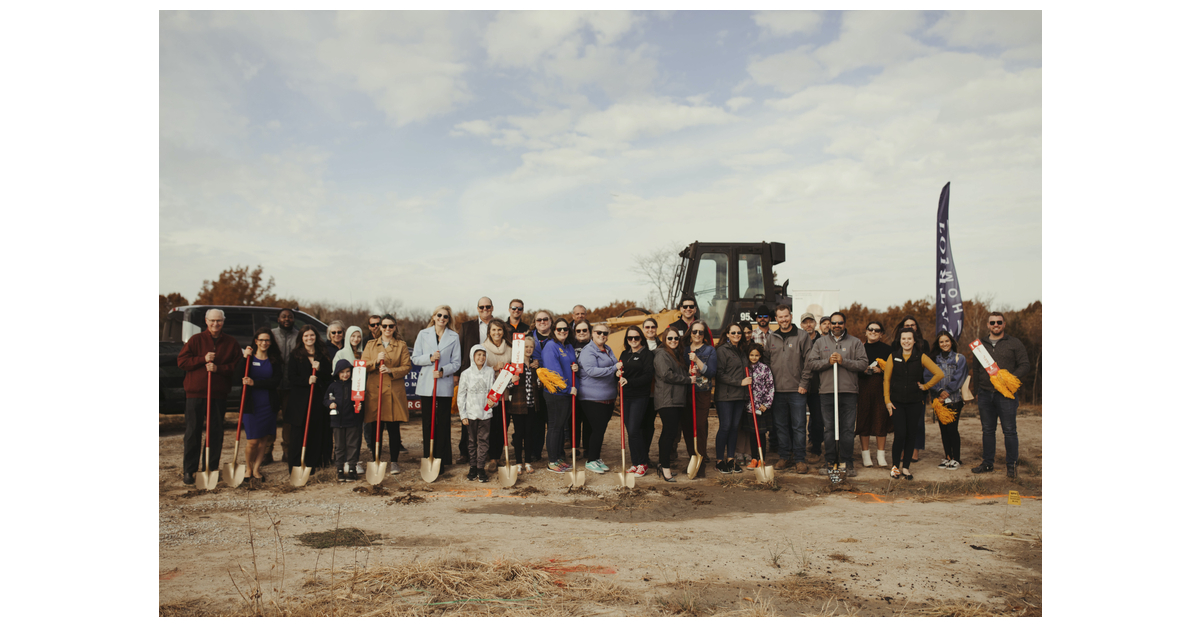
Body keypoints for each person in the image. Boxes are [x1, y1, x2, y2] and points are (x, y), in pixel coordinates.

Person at [177, 308, 241, 485]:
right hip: (195, 394)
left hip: (217, 395)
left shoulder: (230, 342)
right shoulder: (196, 340)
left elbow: (236, 368)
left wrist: (218, 369)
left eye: (219, 321)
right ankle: (189, 471)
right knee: (192, 432)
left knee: (215, 432)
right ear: (206, 321)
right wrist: (202, 359)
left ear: (223, 321)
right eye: (212, 321)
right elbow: (182, 362)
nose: (215, 324)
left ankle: (210, 468)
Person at [805, 311, 869, 476]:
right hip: (827, 392)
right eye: (833, 323)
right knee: (830, 429)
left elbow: (863, 364)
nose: (836, 326)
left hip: (848, 392)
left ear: (844, 324)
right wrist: (828, 361)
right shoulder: (820, 343)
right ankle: (830, 462)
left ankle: (847, 462)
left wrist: (843, 361)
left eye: (840, 323)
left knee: (847, 429)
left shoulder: (855, 342)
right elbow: (811, 363)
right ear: (829, 325)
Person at [971, 312, 1031, 478]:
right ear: (988, 325)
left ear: (1004, 324)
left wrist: (1010, 378)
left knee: (1010, 430)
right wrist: (976, 391)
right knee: (987, 430)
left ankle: (1011, 465)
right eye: (992, 322)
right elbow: (976, 369)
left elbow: (1025, 365)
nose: (995, 325)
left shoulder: (1014, 343)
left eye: (999, 322)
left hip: (1006, 394)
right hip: (984, 393)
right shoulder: (980, 345)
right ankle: (987, 463)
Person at [883, 328, 944, 480]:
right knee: (900, 434)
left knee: (911, 435)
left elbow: (939, 373)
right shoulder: (893, 356)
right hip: (896, 403)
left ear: (914, 341)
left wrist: (926, 386)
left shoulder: (921, 357)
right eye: (903, 339)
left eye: (909, 339)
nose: (906, 341)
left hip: (915, 402)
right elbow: (886, 380)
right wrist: (887, 401)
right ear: (900, 340)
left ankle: (906, 468)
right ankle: (895, 467)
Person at [413, 306, 462, 477]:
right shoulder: (423, 334)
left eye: (446, 316)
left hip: (443, 385)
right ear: (433, 316)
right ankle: (429, 456)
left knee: (442, 423)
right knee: (428, 422)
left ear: (449, 319)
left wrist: (442, 371)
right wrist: (430, 358)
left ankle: (441, 459)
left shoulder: (454, 337)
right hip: (427, 384)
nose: (442, 318)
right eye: (439, 315)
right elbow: (415, 358)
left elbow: (457, 363)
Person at [765, 305, 814, 473]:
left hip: (797, 390)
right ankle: (784, 456)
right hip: (777, 391)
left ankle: (800, 459)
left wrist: (804, 384)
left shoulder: (802, 336)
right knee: (780, 426)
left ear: (791, 316)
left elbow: (809, 362)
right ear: (776, 319)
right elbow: (766, 363)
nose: (783, 320)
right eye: (780, 317)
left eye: (786, 316)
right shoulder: (771, 338)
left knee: (799, 426)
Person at [361, 314, 412, 474]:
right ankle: (376, 459)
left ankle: (394, 461)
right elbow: (362, 365)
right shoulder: (370, 345)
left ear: (395, 327)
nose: (388, 329)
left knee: (393, 428)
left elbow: (406, 367)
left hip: (393, 392)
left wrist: (391, 370)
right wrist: (376, 361)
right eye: (384, 326)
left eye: (391, 326)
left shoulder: (401, 345)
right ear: (380, 327)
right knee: (376, 427)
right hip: (375, 392)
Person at [285, 325, 333, 471]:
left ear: (316, 337)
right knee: (298, 433)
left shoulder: (322, 355)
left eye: (312, 335)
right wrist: (307, 380)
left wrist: (319, 371)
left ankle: (312, 463)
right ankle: (295, 464)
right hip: (300, 401)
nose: (309, 338)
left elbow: (328, 377)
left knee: (315, 431)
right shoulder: (295, 355)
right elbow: (291, 378)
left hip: (317, 399)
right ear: (301, 338)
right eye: (306, 336)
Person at [239, 327, 283, 485]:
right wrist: (244, 358)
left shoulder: (274, 360)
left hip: (268, 404)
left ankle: (256, 469)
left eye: (267, 340)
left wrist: (255, 383)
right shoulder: (249, 359)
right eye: (261, 340)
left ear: (271, 342)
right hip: (251, 404)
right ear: (256, 341)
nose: (264, 343)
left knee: (264, 439)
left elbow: (275, 381)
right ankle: (248, 468)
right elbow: (238, 376)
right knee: (252, 440)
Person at [578, 321, 621, 474]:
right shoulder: (588, 350)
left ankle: (594, 457)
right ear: (592, 334)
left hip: (608, 397)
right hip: (592, 398)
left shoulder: (607, 349)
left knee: (598, 430)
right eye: (598, 332)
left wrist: (617, 371)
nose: (602, 335)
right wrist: (613, 369)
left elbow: (617, 364)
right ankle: (591, 461)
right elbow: (591, 371)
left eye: (605, 333)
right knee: (598, 429)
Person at [457, 297, 495, 462]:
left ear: (492, 308)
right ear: (477, 308)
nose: (485, 309)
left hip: (491, 371)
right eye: (481, 307)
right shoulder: (467, 327)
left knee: (487, 415)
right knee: (468, 415)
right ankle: (465, 452)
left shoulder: (498, 326)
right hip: (470, 373)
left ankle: (488, 452)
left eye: (488, 306)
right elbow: (460, 351)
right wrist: (458, 374)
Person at [652, 327, 691, 481]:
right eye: (670, 338)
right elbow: (666, 375)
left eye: (676, 338)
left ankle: (663, 464)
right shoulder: (662, 354)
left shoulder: (676, 355)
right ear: (664, 340)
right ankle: (665, 466)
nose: (673, 341)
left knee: (672, 432)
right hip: (667, 400)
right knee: (668, 433)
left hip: (676, 400)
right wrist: (688, 380)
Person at [891, 316, 931, 461]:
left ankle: (915, 451)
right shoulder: (895, 344)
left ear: (916, 327)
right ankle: (903, 450)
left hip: (918, 389)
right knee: (901, 425)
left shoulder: (924, 344)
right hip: (899, 389)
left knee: (918, 423)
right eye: (907, 325)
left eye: (913, 325)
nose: (910, 327)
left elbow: (929, 368)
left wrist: (925, 386)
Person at [540, 318, 578, 473]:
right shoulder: (551, 346)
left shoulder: (567, 346)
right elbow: (554, 372)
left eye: (566, 329)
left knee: (561, 426)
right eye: (559, 329)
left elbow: (570, 364)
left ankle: (559, 457)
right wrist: (567, 389)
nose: (563, 332)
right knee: (555, 426)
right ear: (554, 331)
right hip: (556, 393)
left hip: (567, 393)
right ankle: (552, 461)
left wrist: (575, 366)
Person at [713, 322, 752, 474]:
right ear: (727, 334)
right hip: (726, 396)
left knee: (735, 428)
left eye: (739, 333)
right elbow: (720, 374)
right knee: (725, 426)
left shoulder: (741, 351)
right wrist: (739, 382)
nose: (736, 335)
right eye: (733, 333)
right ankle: (719, 461)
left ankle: (730, 459)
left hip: (739, 396)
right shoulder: (722, 350)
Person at [927, 331, 967, 470]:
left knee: (952, 429)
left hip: (954, 399)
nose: (944, 344)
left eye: (947, 341)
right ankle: (947, 457)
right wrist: (938, 391)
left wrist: (947, 392)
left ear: (952, 342)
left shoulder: (959, 358)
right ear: (938, 344)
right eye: (941, 342)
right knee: (943, 429)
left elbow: (959, 377)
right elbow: (928, 376)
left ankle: (956, 458)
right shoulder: (933, 359)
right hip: (938, 400)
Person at [619, 325, 654, 477]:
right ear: (627, 339)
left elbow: (648, 376)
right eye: (630, 338)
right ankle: (635, 463)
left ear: (641, 338)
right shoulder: (624, 354)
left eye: (636, 337)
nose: (633, 340)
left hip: (640, 396)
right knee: (631, 431)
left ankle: (643, 463)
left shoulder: (647, 354)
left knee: (634, 430)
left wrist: (629, 382)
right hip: (625, 396)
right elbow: (621, 375)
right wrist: (617, 373)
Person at [856, 320, 892, 469]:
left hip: (880, 389)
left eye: (877, 330)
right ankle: (865, 454)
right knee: (864, 420)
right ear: (865, 332)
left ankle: (880, 455)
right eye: (870, 329)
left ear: (881, 334)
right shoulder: (859, 348)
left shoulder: (888, 349)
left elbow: (892, 371)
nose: (873, 332)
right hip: (863, 388)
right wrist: (862, 370)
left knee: (880, 419)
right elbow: (854, 367)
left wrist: (881, 370)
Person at [682, 320, 716, 476]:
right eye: (694, 332)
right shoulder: (683, 350)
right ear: (690, 333)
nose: (697, 335)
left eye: (700, 332)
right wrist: (688, 371)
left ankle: (701, 461)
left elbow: (711, 372)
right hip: (686, 391)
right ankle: (692, 459)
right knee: (688, 427)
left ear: (704, 335)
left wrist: (696, 360)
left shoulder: (709, 350)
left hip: (702, 392)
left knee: (700, 426)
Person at [457, 344, 495, 482]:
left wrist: (493, 402)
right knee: (472, 442)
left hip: (485, 413)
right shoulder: (466, 374)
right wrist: (463, 414)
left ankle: (481, 467)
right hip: (471, 414)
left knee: (484, 441)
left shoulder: (490, 372)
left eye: (484, 355)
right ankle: (472, 466)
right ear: (473, 356)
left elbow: (493, 392)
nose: (481, 357)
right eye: (478, 354)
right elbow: (461, 395)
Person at [269, 308, 301, 464]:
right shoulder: (271, 335)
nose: (287, 319)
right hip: (272, 384)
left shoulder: (298, 336)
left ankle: (287, 451)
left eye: (290, 317)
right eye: (283, 317)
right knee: (270, 418)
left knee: (288, 421)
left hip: (291, 386)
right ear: (278, 319)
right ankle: (267, 451)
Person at [507, 335, 542, 474]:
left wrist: (539, 378)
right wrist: (512, 379)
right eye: (526, 346)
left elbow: (538, 385)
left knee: (529, 433)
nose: (528, 349)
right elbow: (507, 384)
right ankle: (518, 463)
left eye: (531, 347)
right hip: (517, 405)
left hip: (531, 404)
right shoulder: (514, 365)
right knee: (518, 434)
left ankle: (528, 462)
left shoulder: (534, 364)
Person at [326, 359, 364, 482]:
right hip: (337, 421)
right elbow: (326, 399)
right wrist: (330, 404)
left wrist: (359, 406)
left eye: (348, 371)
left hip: (352, 421)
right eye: (342, 372)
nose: (345, 374)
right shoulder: (333, 386)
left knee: (352, 445)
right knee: (339, 446)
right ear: (337, 372)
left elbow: (361, 400)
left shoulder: (355, 385)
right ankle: (340, 469)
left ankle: (352, 468)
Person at [481, 320, 511, 473]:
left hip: (506, 394)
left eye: (499, 330)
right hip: (490, 395)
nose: (497, 333)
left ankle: (497, 456)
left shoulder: (510, 348)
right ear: (489, 332)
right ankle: (488, 455)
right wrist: (494, 368)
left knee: (502, 426)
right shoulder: (483, 348)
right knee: (489, 426)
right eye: (493, 330)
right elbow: (479, 370)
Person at [526, 310, 555, 463]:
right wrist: (529, 364)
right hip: (534, 386)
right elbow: (521, 358)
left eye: (545, 319)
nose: (542, 322)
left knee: (553, 421)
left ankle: (556, 452)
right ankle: (534, 452)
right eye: (539, 320)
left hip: (553, 384)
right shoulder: (528, 338)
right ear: (535, 322)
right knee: (536, 421)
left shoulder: (557, 336)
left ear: (551, 321)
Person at [740, 344, 774, 468]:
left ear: (760, 356)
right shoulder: (745, 369)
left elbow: (770, 387)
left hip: (761, 408)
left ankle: (762, 459)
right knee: (752, 434)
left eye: (756, 355)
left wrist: (766, 404)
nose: (754, 358)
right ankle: (754, 458)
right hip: (749, 408)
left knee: (761, 433)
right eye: (751, 355)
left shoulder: (765, 369)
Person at [799, 312, 824, 461]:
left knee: (817, 419)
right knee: (798, 420)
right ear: (801, 325)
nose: (808, 325)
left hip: (817, 385)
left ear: (815, 324)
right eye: (805, 322)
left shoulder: (822, 341)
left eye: (811, 322)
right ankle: (798, 449)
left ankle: (816, 448)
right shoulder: (798, 339)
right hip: (800, 384)